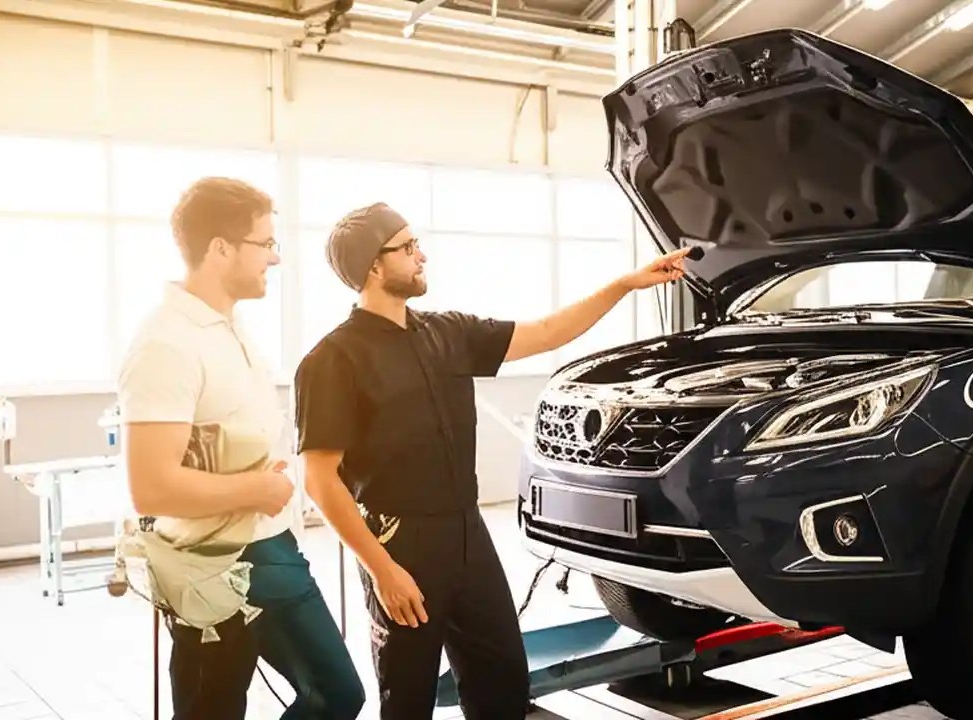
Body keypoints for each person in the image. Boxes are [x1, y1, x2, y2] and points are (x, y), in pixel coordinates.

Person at [293, 201, 690, 718]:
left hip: (468, 535)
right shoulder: (331, 361)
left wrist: (626, 284)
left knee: (502, 681)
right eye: (408, 247)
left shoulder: (449, 332)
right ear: (373, 264)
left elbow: (547, 331)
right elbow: (321, 481)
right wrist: (383, 570)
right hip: (399, 543)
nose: (422, 255)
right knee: (408, 696)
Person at [116, 177, 365, 720]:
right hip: (215, 560)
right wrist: (255, 487)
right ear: (220, 248)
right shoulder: (166, 342)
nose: (275, 259)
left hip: (269, 546)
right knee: (215, 707)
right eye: (266, 244)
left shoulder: (228, 327)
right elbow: (151, 486)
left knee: (336, 693)